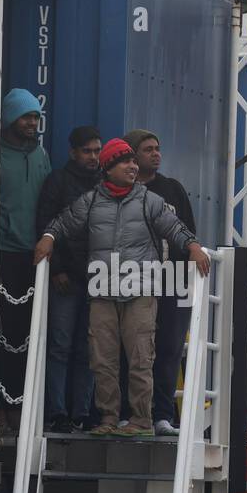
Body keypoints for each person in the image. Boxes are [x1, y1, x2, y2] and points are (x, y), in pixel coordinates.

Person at [34, 138, 209, 437]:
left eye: (132, 161)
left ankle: (141, 419)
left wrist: (193, 246)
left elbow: (174, 227)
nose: (132, 166)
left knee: (141, 356)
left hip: (141, 290)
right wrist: (48, 238)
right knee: (103, 359)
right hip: (101, 291)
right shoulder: (90, 201)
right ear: (108, 168)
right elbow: (63, 223)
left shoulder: (148, 201)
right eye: (124, 162)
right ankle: (109, 418)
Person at [122, 129, 198, 437]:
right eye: (148, 149)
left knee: (168, 348)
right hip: (134, 280)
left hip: (172, 279)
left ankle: (163, 416)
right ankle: (131, 414)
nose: (156, 154)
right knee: (134, 349)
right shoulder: (120, 191)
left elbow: (188, 231)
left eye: (158, 148)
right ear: (132, 155)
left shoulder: (172, 189)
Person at [35, 126, 102, 433]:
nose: (93, 156)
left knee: (89, 349)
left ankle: (82, 411)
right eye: (87, 151)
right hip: (67, 277)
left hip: (97, 277)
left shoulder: (105, 184)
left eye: (96, 150)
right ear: (73, 152)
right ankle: (57, 411)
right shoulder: (58, 181)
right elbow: (46, 223)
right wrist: (58, 267)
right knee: (60, 345)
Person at [0, 88, 53, 436]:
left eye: (35, 117)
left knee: (25, 337)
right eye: (26, 116)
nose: (32, 123)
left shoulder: (41, 155)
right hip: (2, 254)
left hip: (34, 258)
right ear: (10, 118)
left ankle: (19, 409)